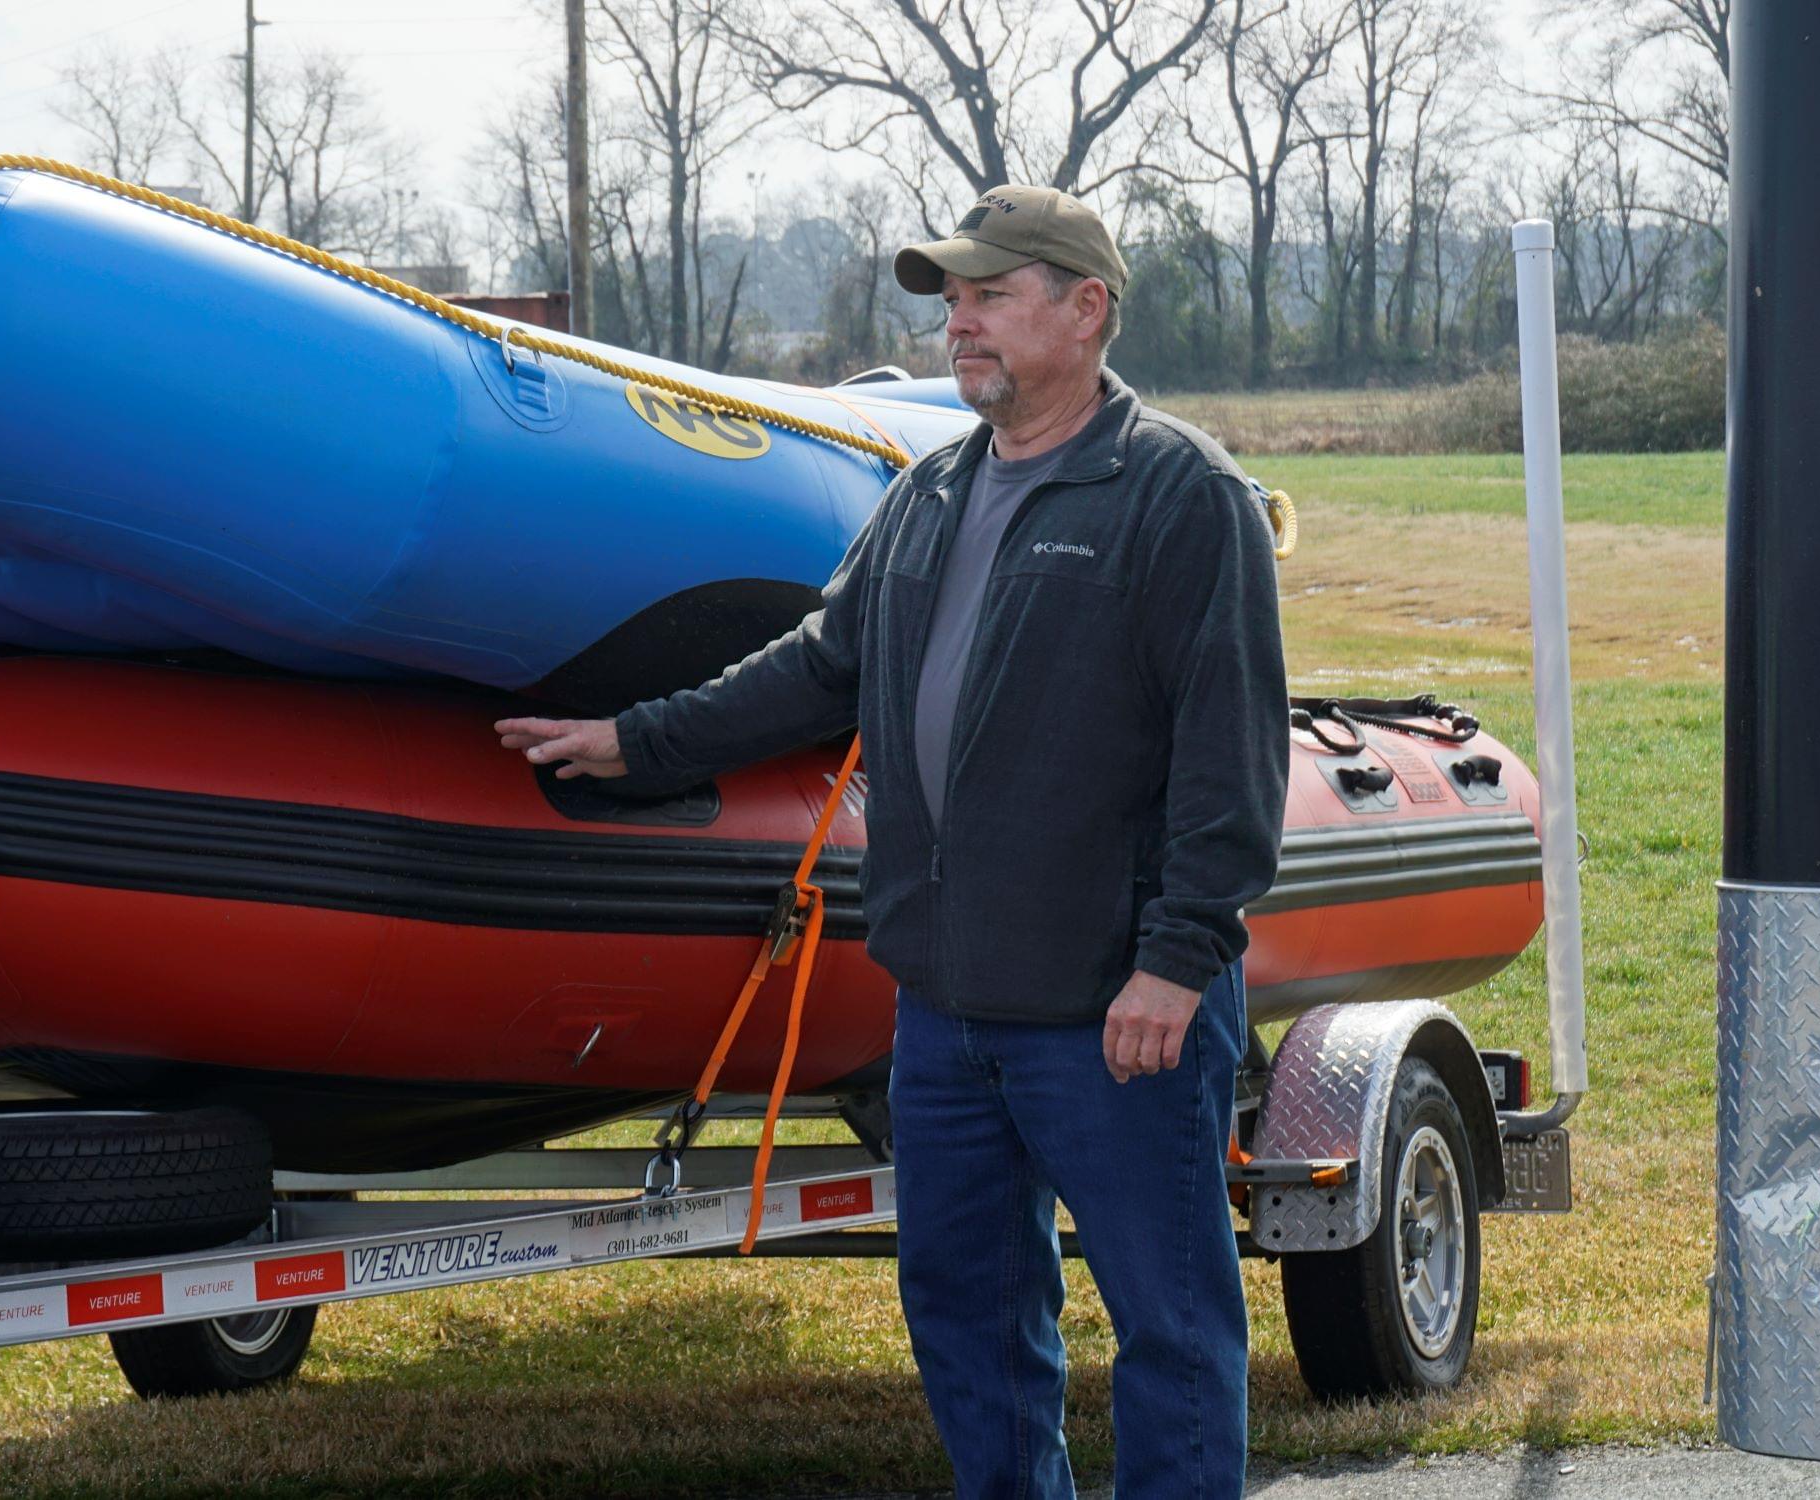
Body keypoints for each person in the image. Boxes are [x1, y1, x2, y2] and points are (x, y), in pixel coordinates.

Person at [495, 184, 1286, 1500]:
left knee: (1169, 1324)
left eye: (988, 297)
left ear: (1084, 310)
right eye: (949, 302)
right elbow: (818, 669)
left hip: (1112, 1006)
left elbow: (1229, 753)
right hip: (946, 1005)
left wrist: (1178, 958)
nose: (956, 324)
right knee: (967, 1321)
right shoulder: (929, 491)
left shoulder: (1175, 495)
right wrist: (640, 742)